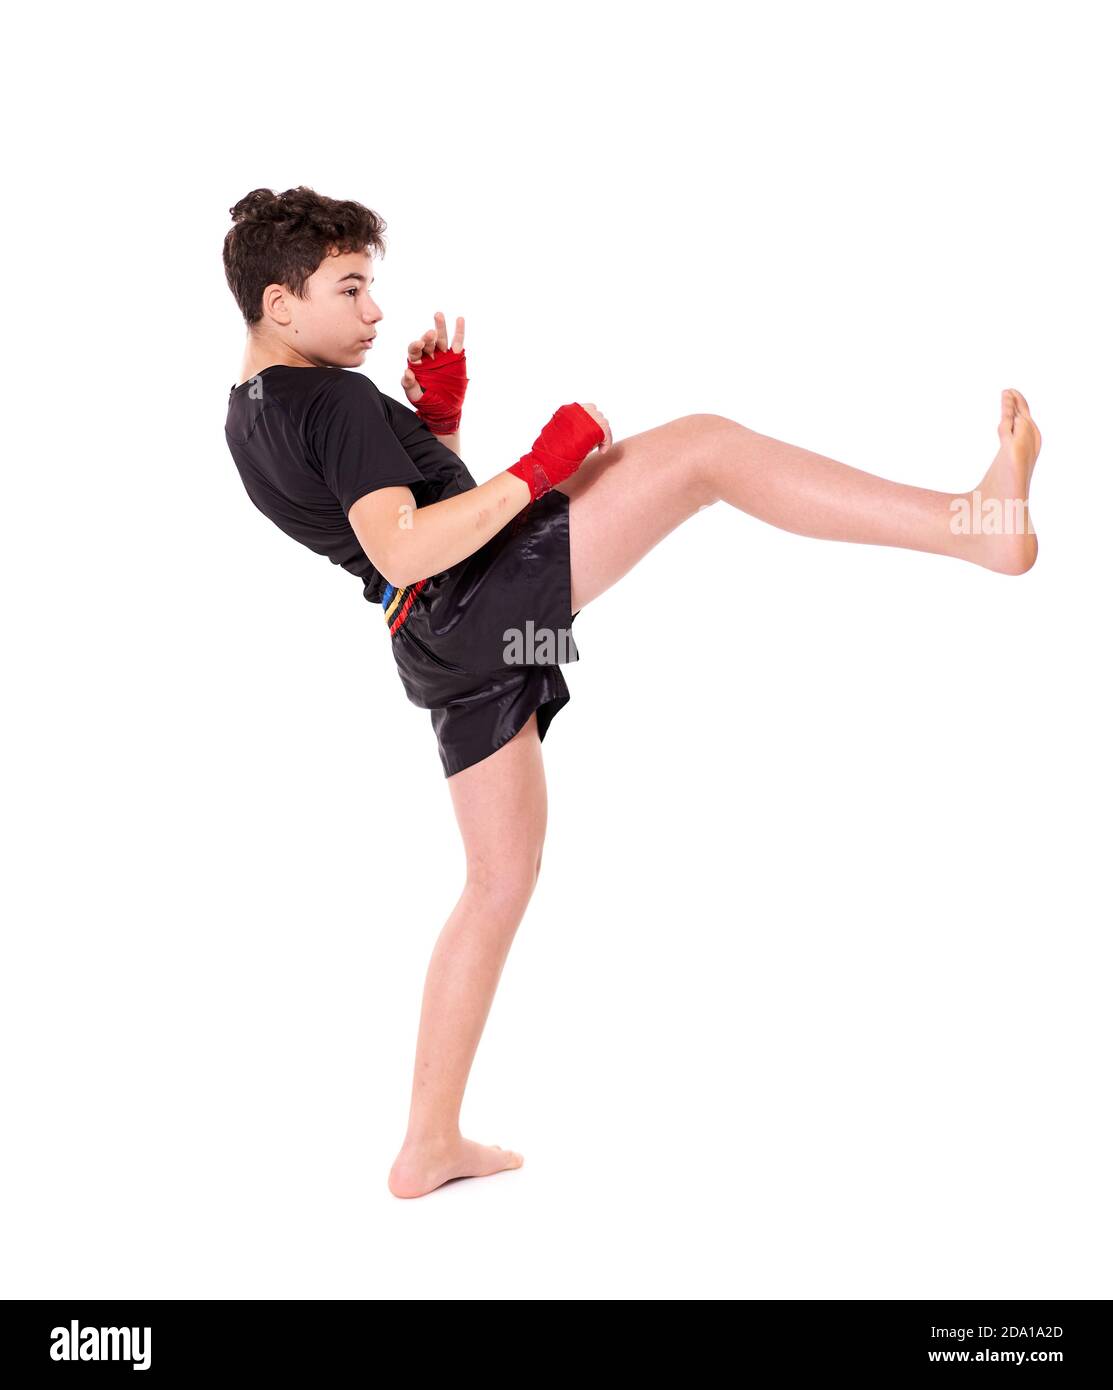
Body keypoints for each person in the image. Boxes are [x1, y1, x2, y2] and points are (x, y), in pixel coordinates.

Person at [222, 186, 1041, 1201]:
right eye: (350, 289)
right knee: (703, 450)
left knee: (497, 880)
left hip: (430, 637)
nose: (375, 312)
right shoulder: (336, 401)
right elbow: (408, 540)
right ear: (281, 303)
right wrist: (540, 465)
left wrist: (432, 418)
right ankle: (972, 523)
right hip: (470, 593)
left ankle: (426, 1141)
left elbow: (377, 527)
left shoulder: (255, 412)